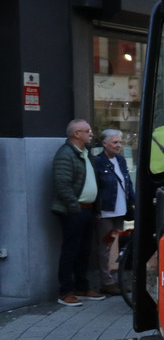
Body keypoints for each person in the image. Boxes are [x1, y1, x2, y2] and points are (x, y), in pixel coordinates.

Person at [50, 119, 105, 306]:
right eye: (87, 131)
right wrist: (75, 208)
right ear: (76, 134)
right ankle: (65, 292)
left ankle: (82, 288)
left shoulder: (85, 153)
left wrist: (94, 208)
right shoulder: (66, 154)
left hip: (87, 210)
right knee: (71, 251)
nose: (91, 134)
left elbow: (92, 181)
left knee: (84, 252)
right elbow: (62, 186)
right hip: (73, 210)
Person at [92, 129, 135, 295]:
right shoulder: (97, 162)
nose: (118, 146)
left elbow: (128, 183)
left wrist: (134, 202)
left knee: (115, 247)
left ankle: (115, 280)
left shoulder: (121, 160)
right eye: (115, 142)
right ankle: (107, 281)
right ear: (104, 144)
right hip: (105, 213)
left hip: (120, 211)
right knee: (106, 246)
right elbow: (95, 187)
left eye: (120, 142)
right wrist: (96, 208)